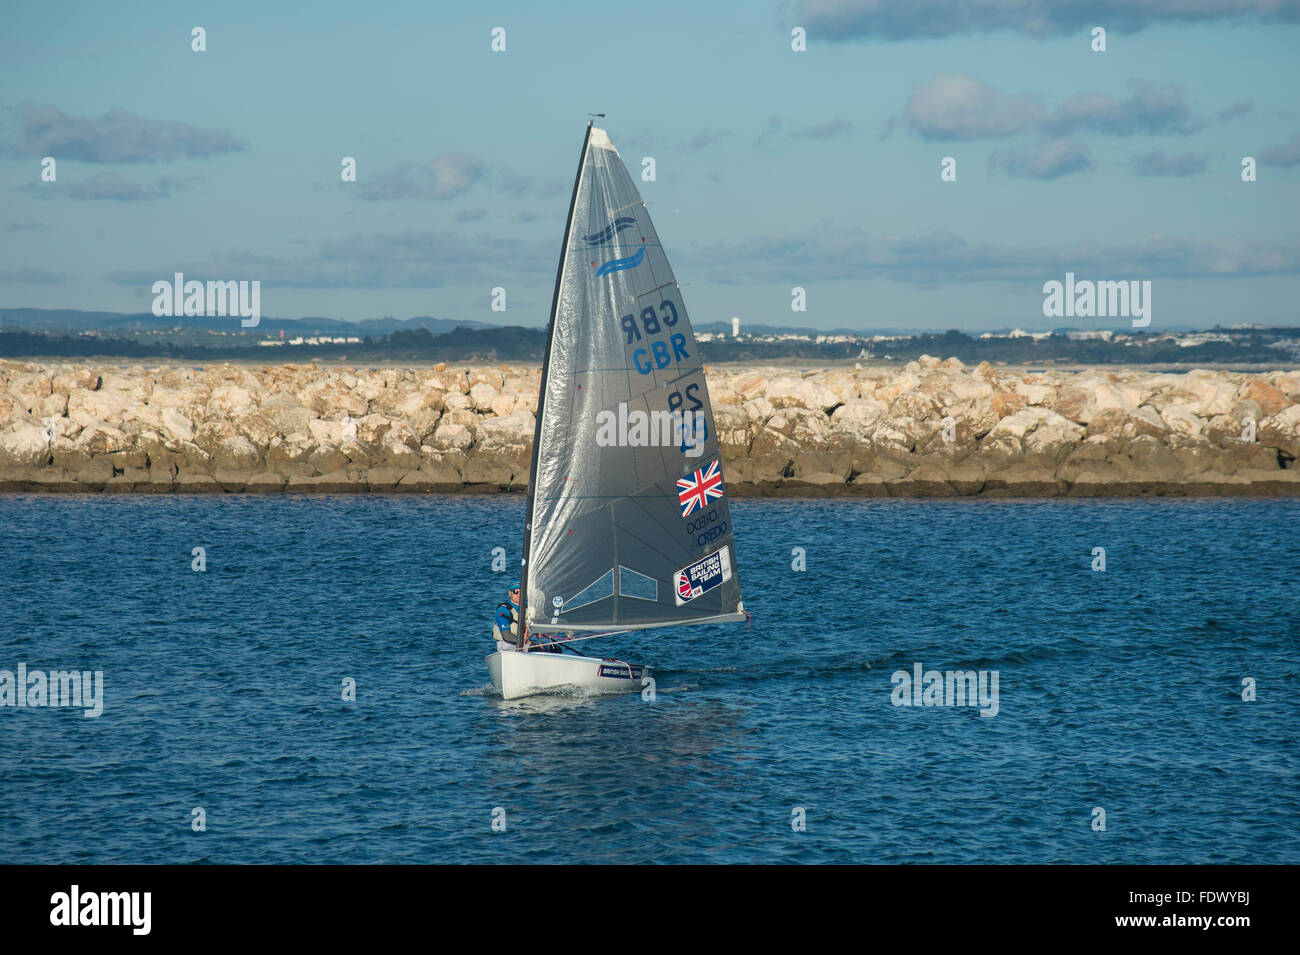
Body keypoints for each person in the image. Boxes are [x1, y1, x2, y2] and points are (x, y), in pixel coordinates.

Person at [493, 583, 522, 652]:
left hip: (522, 645)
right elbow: (506, 636)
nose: (518, 595)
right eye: (515, 592)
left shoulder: (527, 609)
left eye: (521, 592)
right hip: (507, 646)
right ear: (510, 593)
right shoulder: (503, 610)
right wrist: (526, 642)